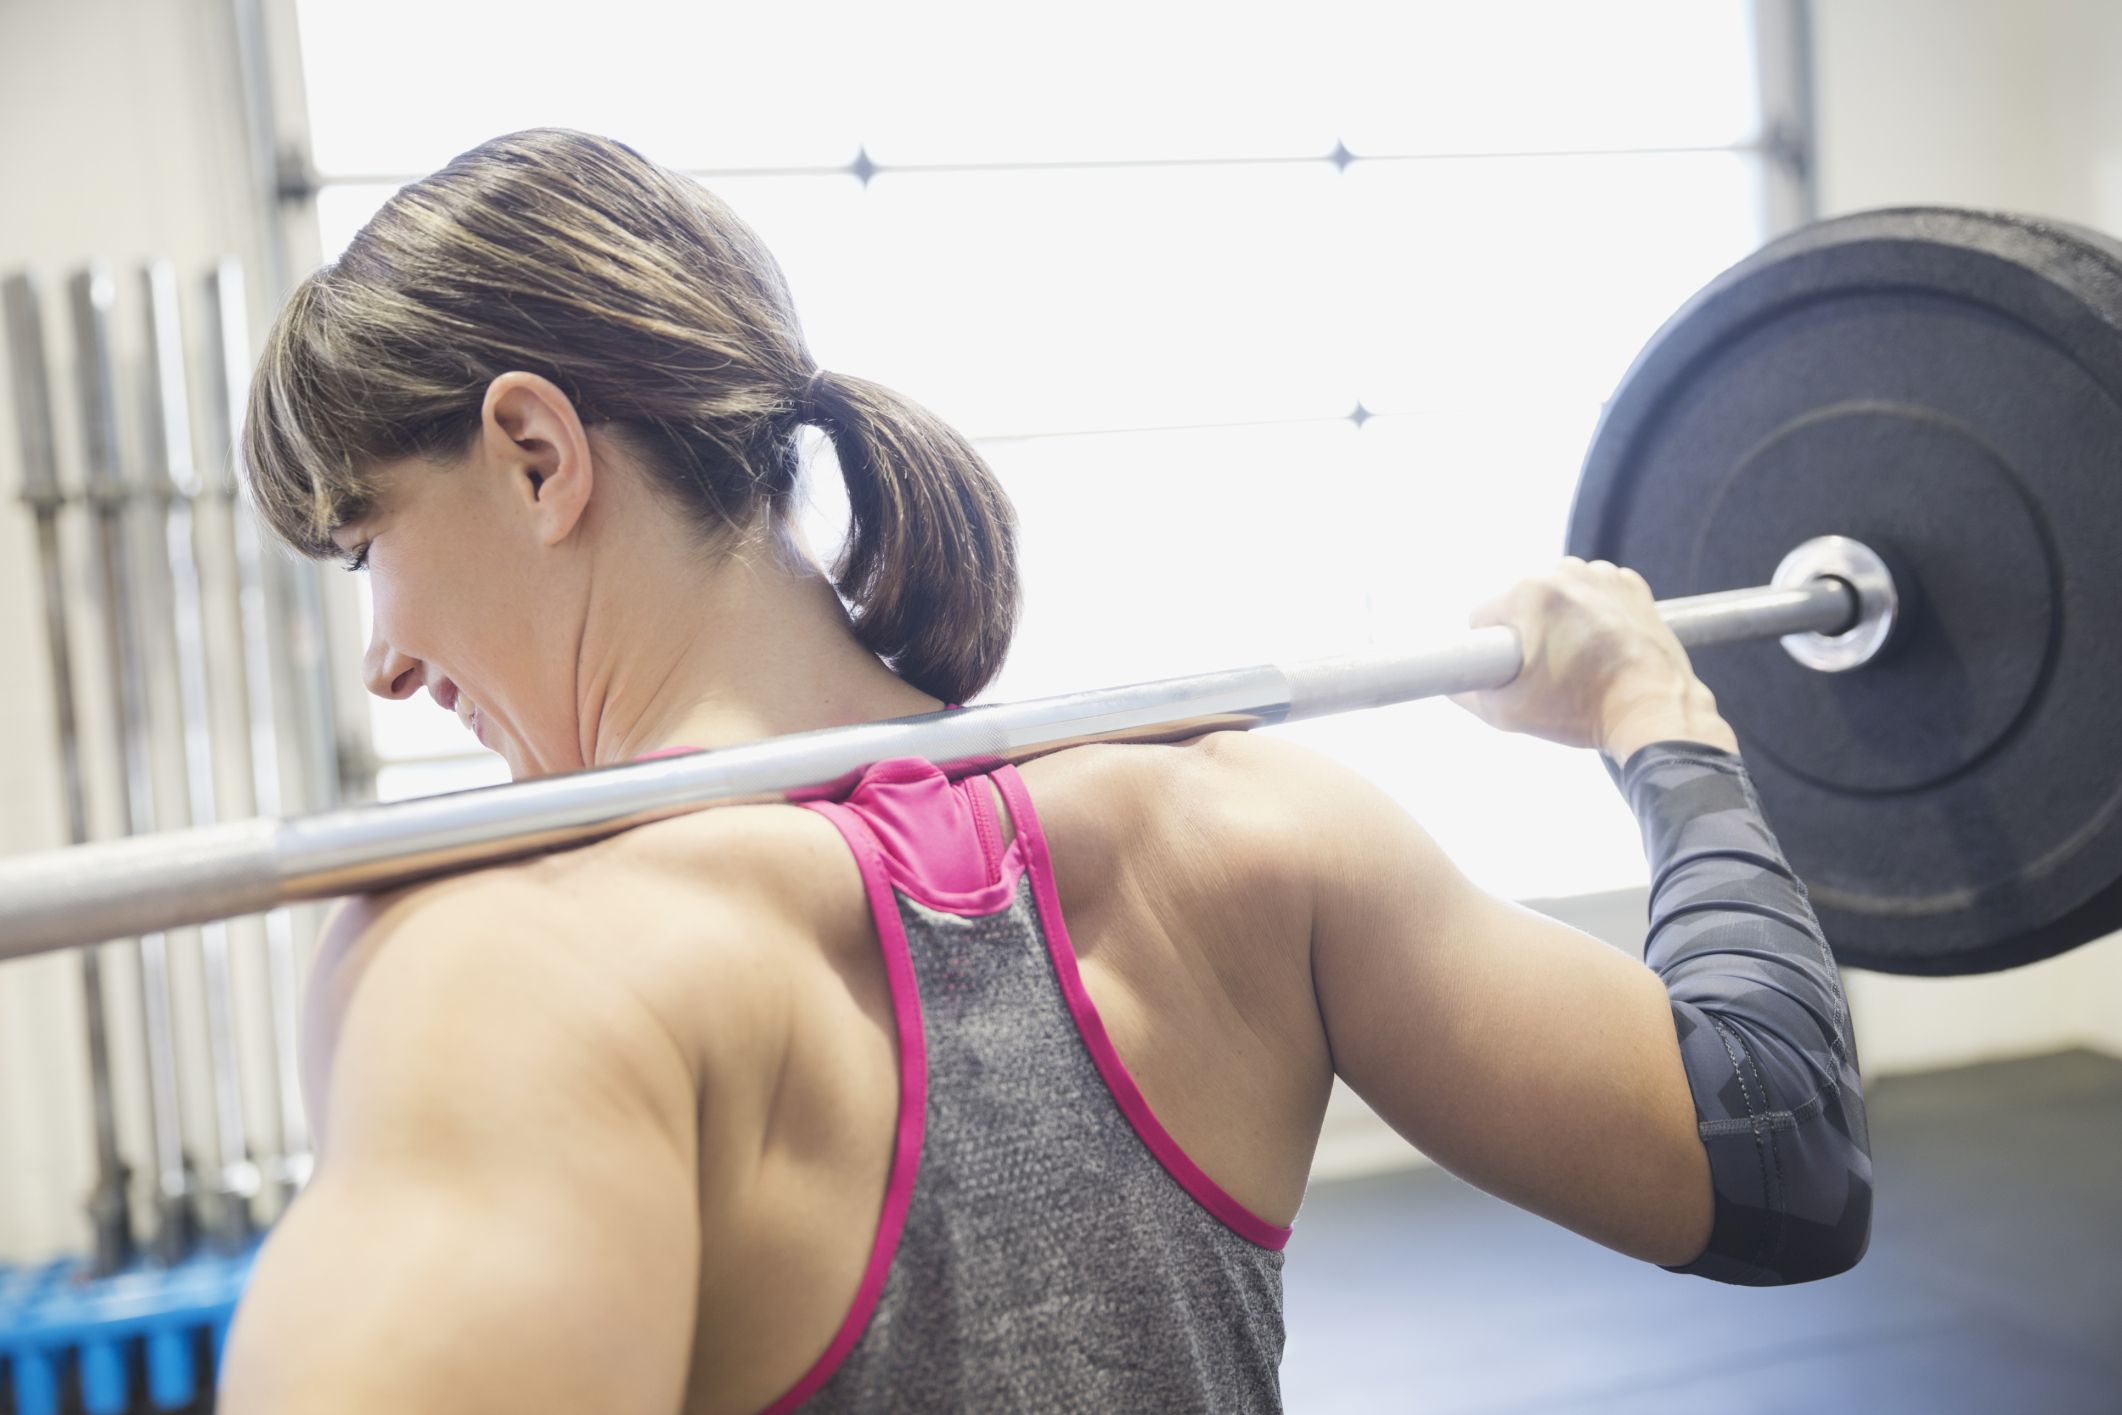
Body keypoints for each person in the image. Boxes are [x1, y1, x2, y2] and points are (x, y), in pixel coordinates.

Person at [218, 129, 1869, 1415]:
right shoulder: (1240, 831)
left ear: (533, 453)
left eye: (366, 541)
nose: (383, 653)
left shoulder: (508, 978)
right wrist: (1660, 715)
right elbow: (1777, 1158)